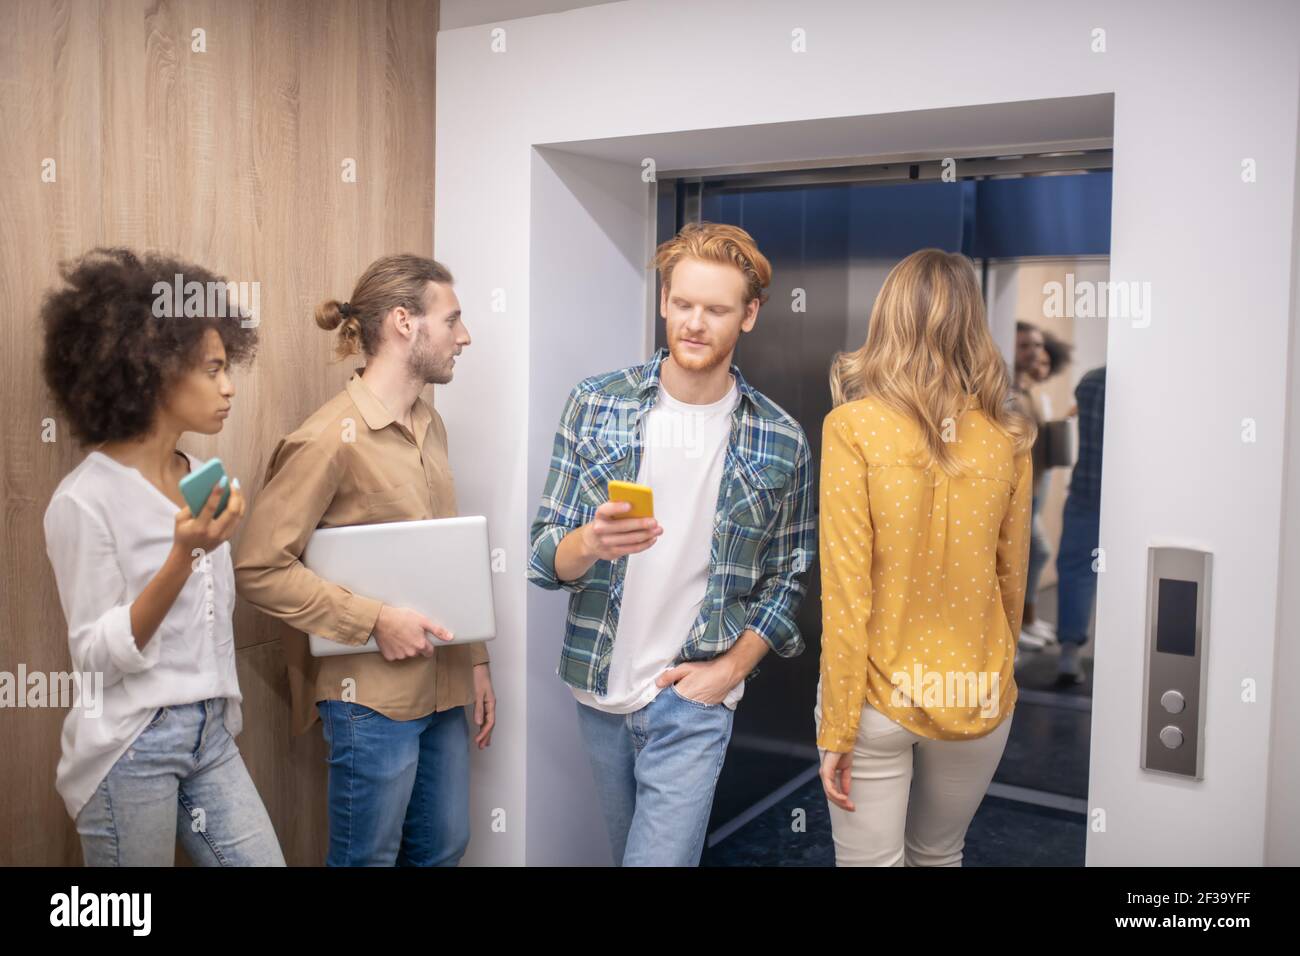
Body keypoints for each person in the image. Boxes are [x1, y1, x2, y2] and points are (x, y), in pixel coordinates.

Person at [527, 221, 816, 866]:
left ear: (750, 315)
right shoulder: (595, 405)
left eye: (716, 310)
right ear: (663, 301)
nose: (694, 323)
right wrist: (591, 543)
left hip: (692, 699)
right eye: (682, 304)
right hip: (600, 689)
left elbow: (790, 574)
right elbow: (542, 555)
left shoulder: (781, 438)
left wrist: (730, 671)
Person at [233, 254, 495, 866]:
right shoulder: (327, 439)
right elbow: (258, 568)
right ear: (405, 323)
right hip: (370, 702)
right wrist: (373, 620)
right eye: (451, 319)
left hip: (445, 687)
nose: (465, 336)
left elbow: (443, 559)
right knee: (367, 861)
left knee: (443, 850)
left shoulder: (430, 423)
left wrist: (475, 660)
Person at [40, 247, 283, 866]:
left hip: (209, 735)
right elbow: (94, 658)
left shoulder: (201, 476)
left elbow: (210, 627)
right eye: (212, 369)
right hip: (130, 746)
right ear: (151, 369)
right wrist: (183, 557)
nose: (228, 386)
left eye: (229, 366)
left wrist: (221, 715)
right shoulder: (83, 500)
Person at [815, 248, 1036, 866]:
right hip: (978, 693)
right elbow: (1012, 581)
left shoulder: (851, 427)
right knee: (939, 857)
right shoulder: (1008, 439)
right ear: (974, 325)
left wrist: (836, 727)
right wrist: (998, 672)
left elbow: (845, 587)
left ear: (888, 318)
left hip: (874, 698)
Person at [1054, 365, 1105, 686]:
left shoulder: (1091, 381)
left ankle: (1069, 652)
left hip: (1086, 489)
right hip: (1135, 499)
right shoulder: (1156, 382)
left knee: (1076, 570)